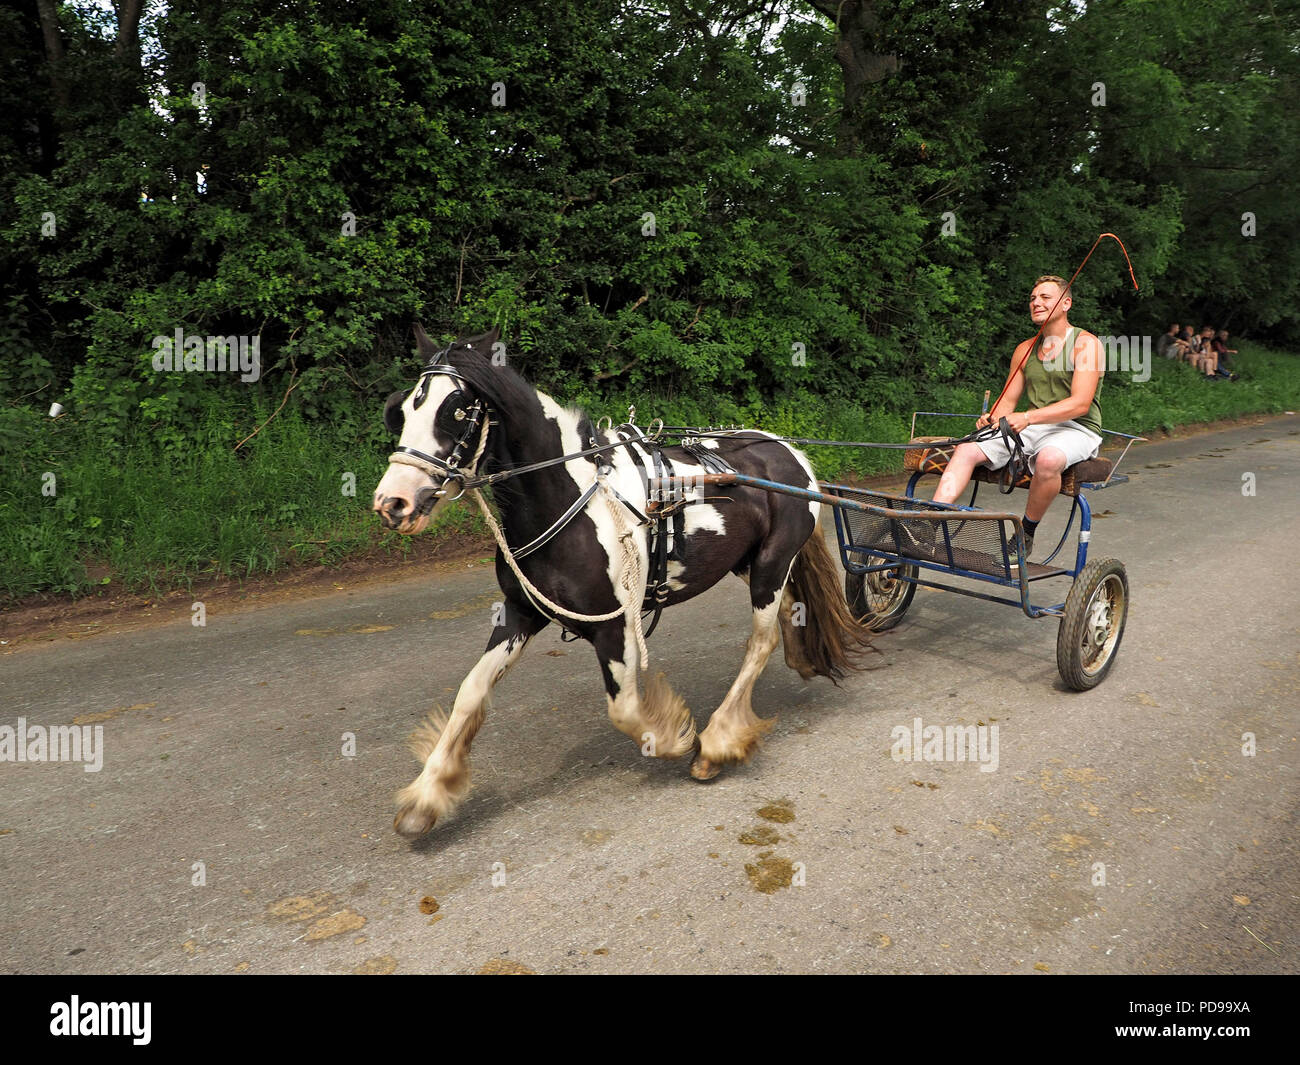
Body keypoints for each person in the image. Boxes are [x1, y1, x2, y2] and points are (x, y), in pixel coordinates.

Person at [931, 274, 1104, 564]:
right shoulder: (1025, 349)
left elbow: (1080, 404)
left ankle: (1025, 534)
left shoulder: (1086, 344)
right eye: (1033, 298)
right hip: (1034, 425)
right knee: (966, 449)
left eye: (1045, 297)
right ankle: (926, 524)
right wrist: (992, 417)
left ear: (1066, 304)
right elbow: (1008, 401)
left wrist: (1027, 416)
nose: (1036, 302)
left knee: (1049, 459)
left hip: (1077, 428)